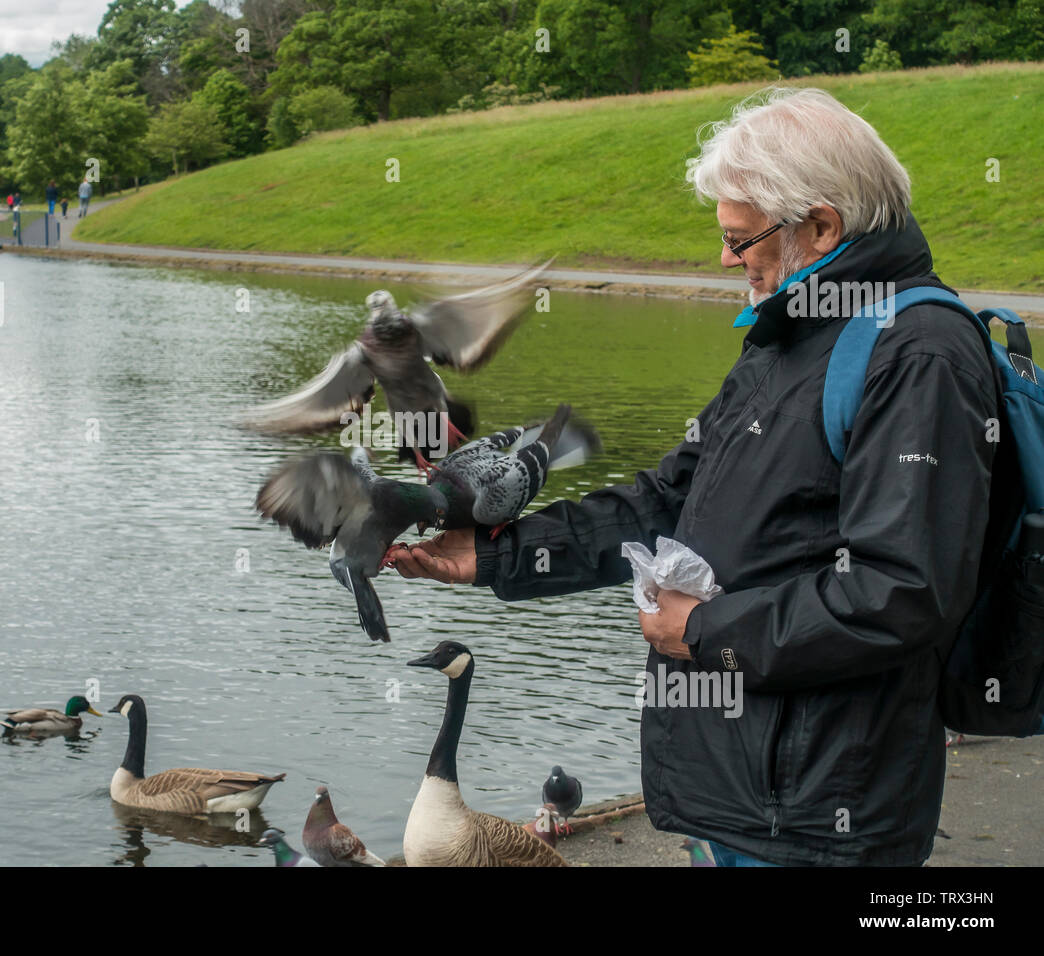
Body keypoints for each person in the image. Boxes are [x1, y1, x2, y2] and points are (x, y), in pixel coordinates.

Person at [386, 87, 997, 867]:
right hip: (740, 798)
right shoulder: (789, 337)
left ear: (821, 226)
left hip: (817, 818)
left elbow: (905, 592)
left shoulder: (919, 356)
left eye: (740, 240)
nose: (724, 260)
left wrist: (706, 632)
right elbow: (672, 497)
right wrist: (502, 553)